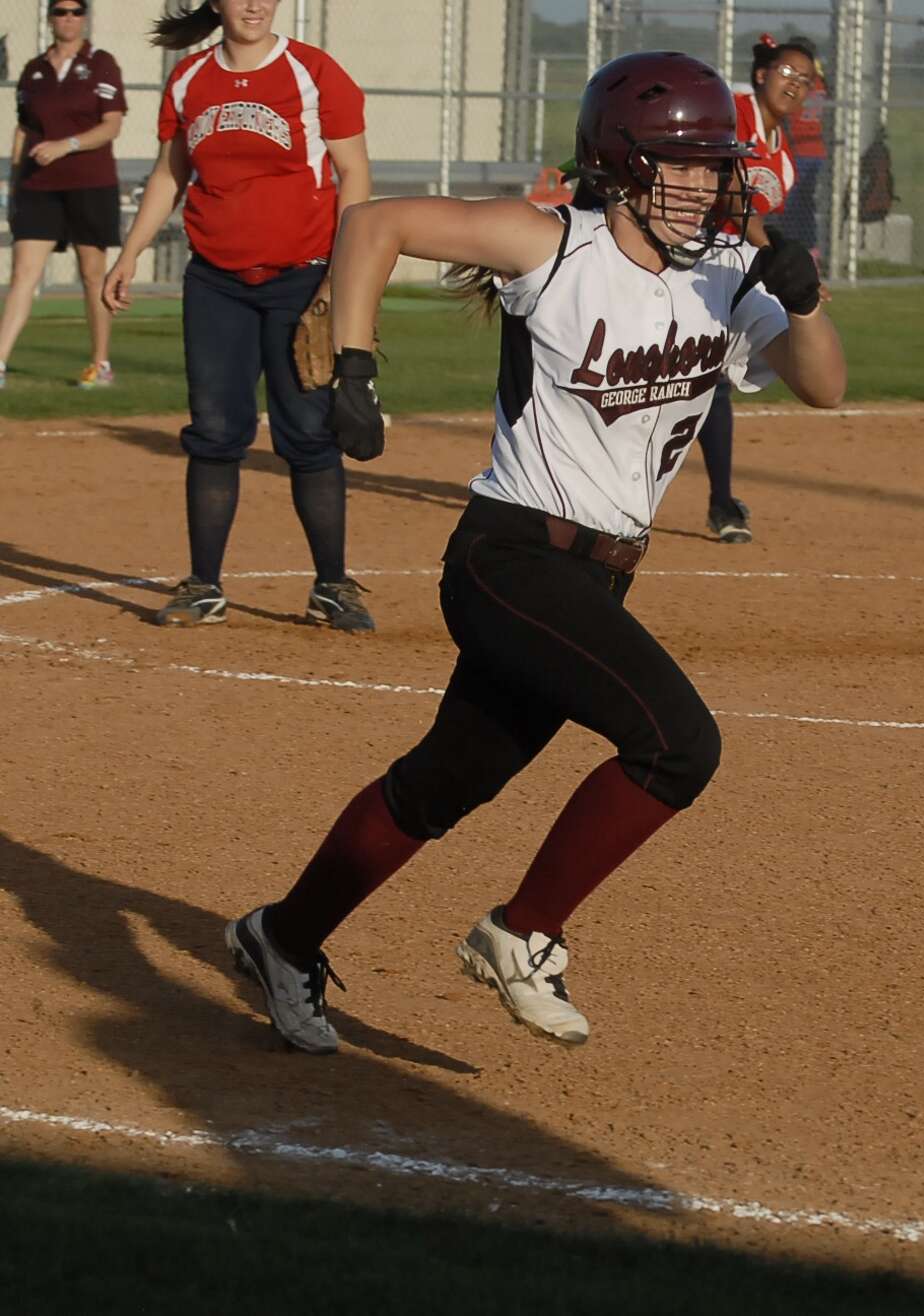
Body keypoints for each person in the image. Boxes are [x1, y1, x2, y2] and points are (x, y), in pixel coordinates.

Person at [223, 50, 846, 1055]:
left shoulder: (727, 273)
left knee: (443, 782)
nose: (701, 182)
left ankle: (280, 937)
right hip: (509, 558)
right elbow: (374, 223)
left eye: (710, 163)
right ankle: (522, 932)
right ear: (617, 161)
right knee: (678, 742)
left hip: (598, 575)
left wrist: (806, 299)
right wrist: (355, 364)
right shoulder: (557, 242)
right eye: (676, 162)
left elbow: (826, 385)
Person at [101, 0, 374, 632]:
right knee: (216, 432)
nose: (254, 3)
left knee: (307, 434)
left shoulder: (313, 71)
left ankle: (332, 586)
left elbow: (354, 174)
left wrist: (342, 275)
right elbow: (170, 176)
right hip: (214, 282)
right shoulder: (190, 78)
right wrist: (130, 253)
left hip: (302, 280)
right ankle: (203, 586)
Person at [698, 33, 820, 545]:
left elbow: (751, 226)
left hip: (730, 270)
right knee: (691, 381)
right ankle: (721, 502)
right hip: (686, 254)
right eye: (788, 72)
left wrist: (793, 273)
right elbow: (729, 195)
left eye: (806, 80)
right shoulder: (734, 111)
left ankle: (722, 502)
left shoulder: (785, 162)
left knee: (713, 382)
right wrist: (772, 252)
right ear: (763, 73)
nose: (796, 84)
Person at [0, 1, 126, 392]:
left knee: (92, 276)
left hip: (90, 183)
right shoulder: (34, 70)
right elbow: (24, 129)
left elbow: (111, 126)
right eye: (59, 11)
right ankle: (0, 361)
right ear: (50, 17)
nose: (67, 18)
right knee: (23, 274)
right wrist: (14, 184)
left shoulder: (101, 63)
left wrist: (67, 145)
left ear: (84, 18)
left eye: (75, 11)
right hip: (39, 187)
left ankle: (100, 363)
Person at [785, 49, 828, 259]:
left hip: (800, 151)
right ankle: (808, 249)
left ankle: (802, 250)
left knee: (794, 204)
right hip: (817, 151)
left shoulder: (802, 82)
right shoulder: (820, 80)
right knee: (804, 203)